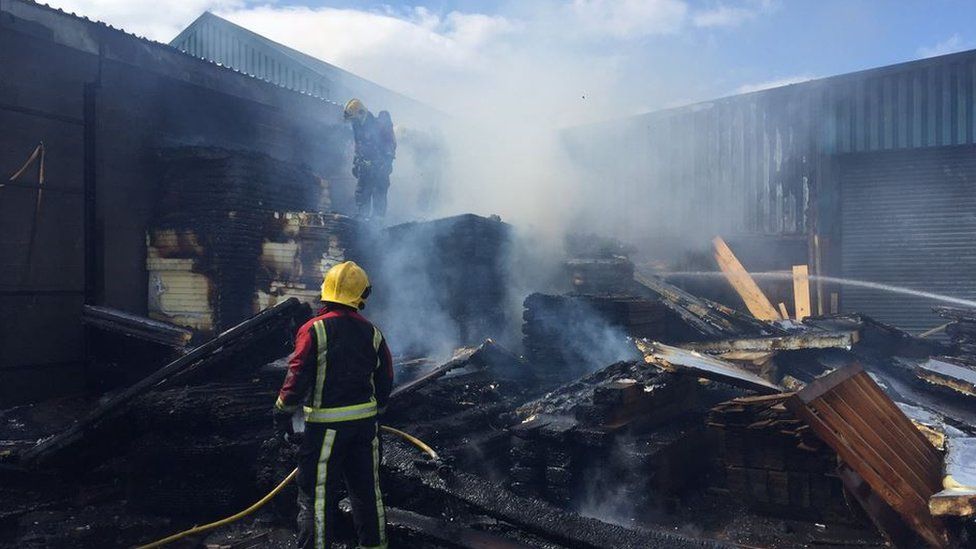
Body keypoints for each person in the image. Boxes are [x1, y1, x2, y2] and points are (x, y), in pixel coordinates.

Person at [273, 261, 394, 549]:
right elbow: (386, 376)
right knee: (367, 493)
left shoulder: (314, 330)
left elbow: (297, 373)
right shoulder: (372, 333)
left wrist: (281, 411)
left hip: (325, 430)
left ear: (327, 292)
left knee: (317, 497)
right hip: (365, 429)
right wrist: (378, 411)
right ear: (361, 295)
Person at [344, 99, 396, 219]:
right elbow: (358, 145)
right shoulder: (356, 125)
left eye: (354, 118)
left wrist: (386, 162)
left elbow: (390, 144)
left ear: (361, 113)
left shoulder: (379, 125)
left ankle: (376, 226)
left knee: (379, 194)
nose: (353, 121)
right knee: (362, 193)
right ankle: (361, 222)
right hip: (364, 166)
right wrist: (356, 162)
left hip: (380, 166)